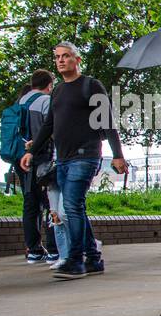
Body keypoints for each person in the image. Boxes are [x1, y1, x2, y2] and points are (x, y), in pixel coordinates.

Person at [20, 43, 126, 279]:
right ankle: (93, 259)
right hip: (63, 159)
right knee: (75, 207)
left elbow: (107, 121)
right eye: (57, 57)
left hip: (85, 155)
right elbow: (49, 125)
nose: (60, 61)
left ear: (77, 60)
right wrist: (32, 151)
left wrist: (117, 154)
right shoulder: (57, 91)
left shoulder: (91, 85)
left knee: (71, 205)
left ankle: (76, 261)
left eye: (66, 56)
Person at [15, 74, 55, 262]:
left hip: (20, 159)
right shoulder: (45, 101)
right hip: (41, 157)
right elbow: (51, 128)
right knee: (50, 202)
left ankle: (34, 250)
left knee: (30, 203)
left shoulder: (20, 101)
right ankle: (54, 248)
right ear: (49, 85)